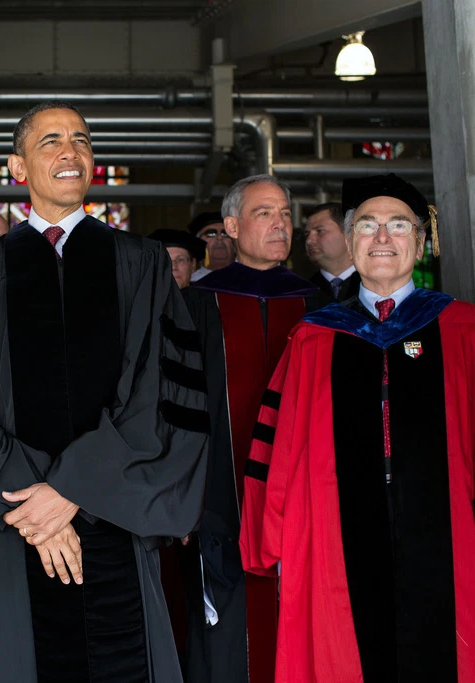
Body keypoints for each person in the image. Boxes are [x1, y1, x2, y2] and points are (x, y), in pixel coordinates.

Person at [0, 100, 209, 683]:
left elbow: (157, 390)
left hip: (110, 515)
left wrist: (70, 490)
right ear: (18, 167)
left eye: (82, 140)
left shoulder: (139, 263)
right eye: (51, 142)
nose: (71, 151)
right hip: (5, 518)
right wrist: (37, 506)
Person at [241, 173, 474, 681]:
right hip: (331, 542)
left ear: (421, 240)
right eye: (368, 226)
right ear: (350, 242)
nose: (383, 238)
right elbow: (275, 453)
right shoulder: (313, 339)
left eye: (398, 226)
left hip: (451, 541)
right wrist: (273, 539)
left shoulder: (463, 331)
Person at [183, 175, 317, 683]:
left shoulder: (319, 305)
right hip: (220, 493)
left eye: (285, 213)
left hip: (301, 492)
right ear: (233, 227)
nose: (280, 222)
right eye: (265, 213)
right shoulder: (198, 304)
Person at [304, 202, 360, 304]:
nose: (309, 240)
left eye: (320, 231)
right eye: (307, 234)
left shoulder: (375, 286)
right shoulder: (302, 292)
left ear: (348, 233)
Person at [189, 212, 234, 281]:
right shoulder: (189, 283)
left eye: (225, 234)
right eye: (211, 234)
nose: (219, 237)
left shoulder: (248, 279)